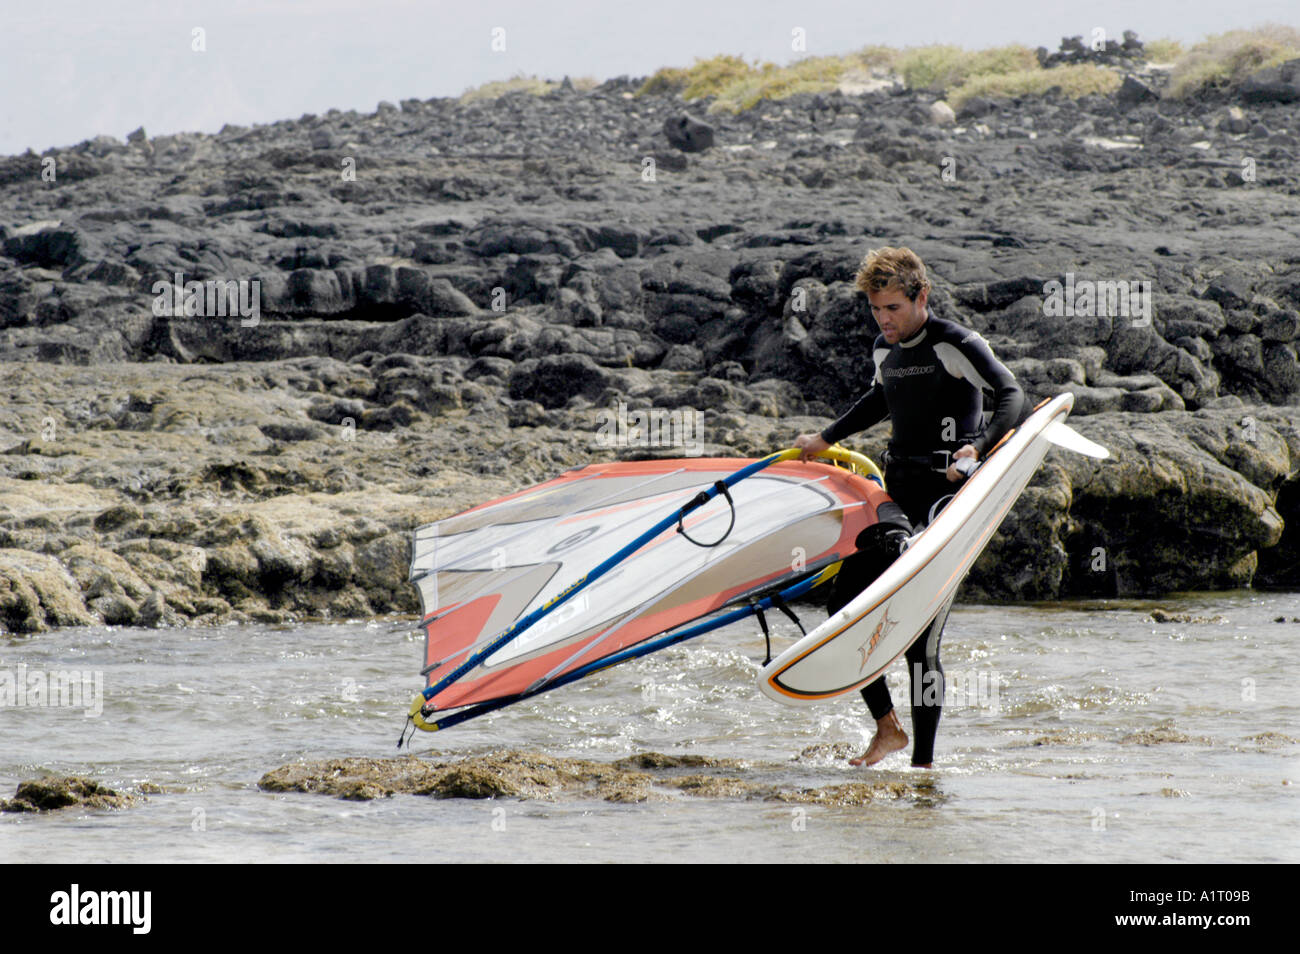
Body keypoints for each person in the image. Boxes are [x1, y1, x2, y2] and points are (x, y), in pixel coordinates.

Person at [794, 247, 1024, 768]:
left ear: (922, 297)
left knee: (921, 646)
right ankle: (887, 728)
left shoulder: (955, 343)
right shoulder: (884, 348)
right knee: (842, 607)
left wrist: (979, 447)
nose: (884, 319)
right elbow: (882, 398)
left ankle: (923, 769)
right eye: (876, 309)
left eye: (893, 308)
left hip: (946, 503)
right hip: (896, 495)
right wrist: (827, 438)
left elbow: (1012, 394)